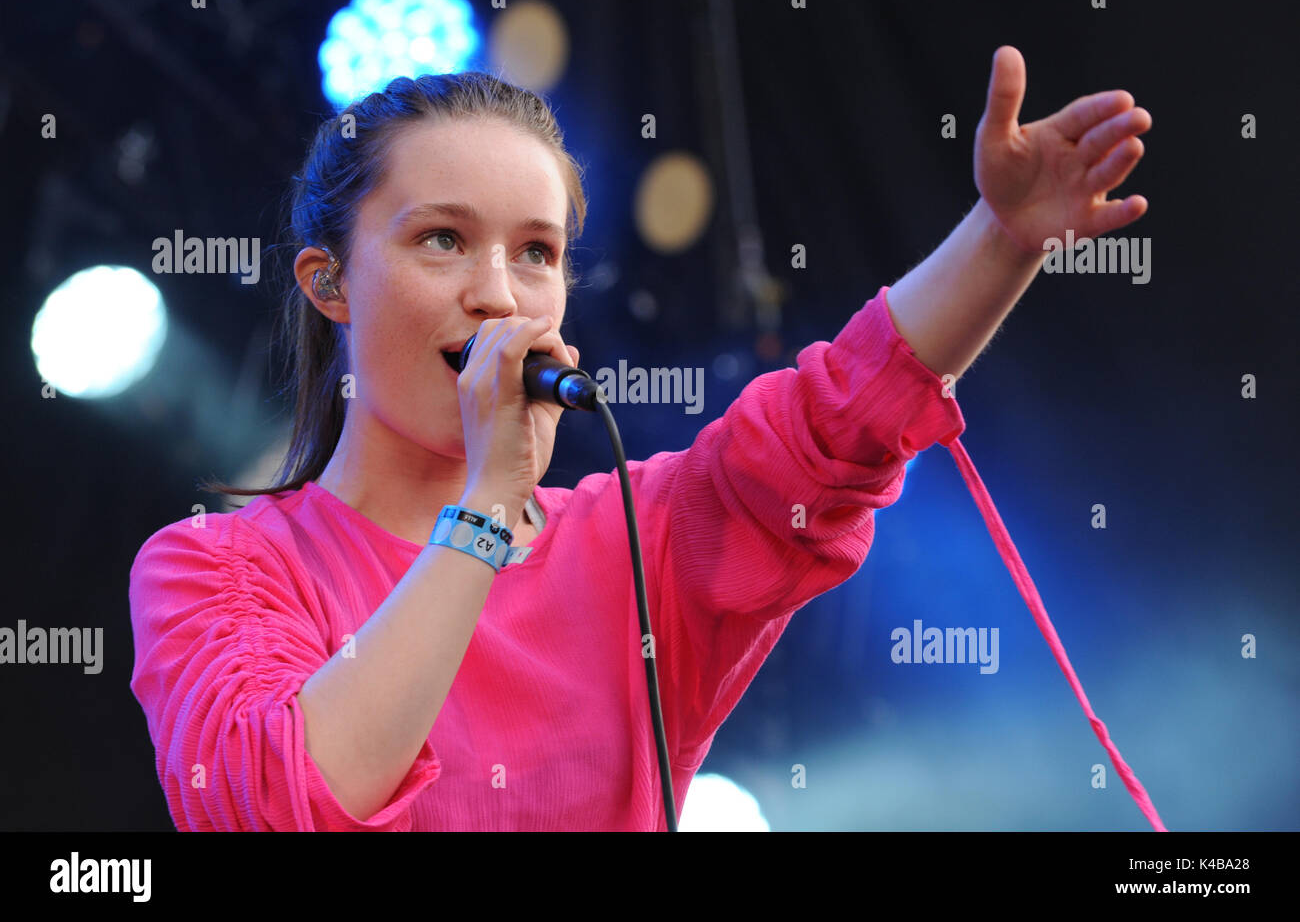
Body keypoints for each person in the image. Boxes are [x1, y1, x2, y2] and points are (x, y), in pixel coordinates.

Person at [128, 46, 1152, 831]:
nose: (496, 293)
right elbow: (290, 801)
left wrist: (1001, 237)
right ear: (330, 283)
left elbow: (836, 415)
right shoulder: (214, 570)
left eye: (536, 253)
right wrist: (486, 507)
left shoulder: (637, 538)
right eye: (442, 239)